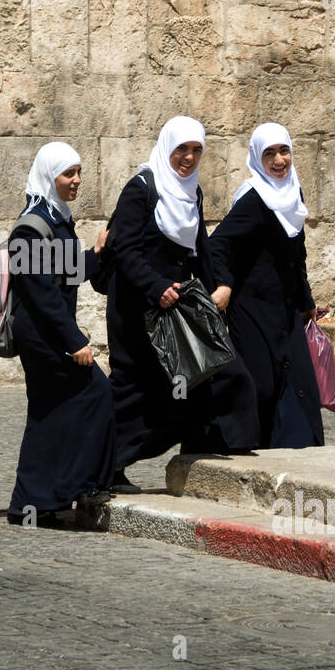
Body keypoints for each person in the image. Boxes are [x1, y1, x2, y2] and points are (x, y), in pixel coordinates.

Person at [103, 117, 259, 493]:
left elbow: (198, 247)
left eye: (196, 150)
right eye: (181, 150)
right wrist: (154, 286)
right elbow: (123, 248)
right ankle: (105, 467)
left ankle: (203, 449)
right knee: (135, 389)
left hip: (174, 309)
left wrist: (218, 286)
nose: (188, 158)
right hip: (137, 308)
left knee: (196, 379)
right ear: (167, 148)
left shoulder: (192, 191)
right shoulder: (141, 189)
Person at [6, 141, 116, 527]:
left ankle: (36, 503)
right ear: (50, 174)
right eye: (69, 173)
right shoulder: (30, 226)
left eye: (78, 172)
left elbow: (65, 272)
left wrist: (97, 255)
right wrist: (75, 342)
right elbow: (40, 293)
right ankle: (72, 488)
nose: (77, 180)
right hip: (41, 334)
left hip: (48, 329)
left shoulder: (55, 217)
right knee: (95, 393)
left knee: (50, 413)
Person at [208, 122, 324, 449]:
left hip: (285, 308)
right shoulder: (255, 198)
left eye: (283, 151)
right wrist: (225, 284)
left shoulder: (292, 192)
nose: (279, 160)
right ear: (257, 158)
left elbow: (295, 252)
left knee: (299, 380)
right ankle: (233, 448)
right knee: (260, 384)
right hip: (251, 308)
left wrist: (306, 300)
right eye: (269, 153)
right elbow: (219, 244)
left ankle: (298, 450)